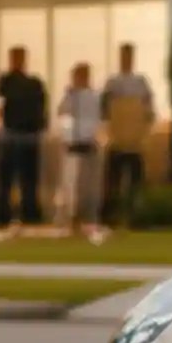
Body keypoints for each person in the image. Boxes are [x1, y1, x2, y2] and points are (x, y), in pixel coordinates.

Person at [0, 46, 47, 239]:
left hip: (26, 136)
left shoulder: (34, 84)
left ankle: (28, 213)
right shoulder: (5, 82)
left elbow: (41, 109)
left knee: (27, 181)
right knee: (8, 181)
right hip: (11, 135)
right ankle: (4, 214)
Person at [100, 43, 154, 229]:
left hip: (135, 141)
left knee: (135, 182)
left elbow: (148, 108)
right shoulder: (112, 83)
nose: (126, 59)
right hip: (117, 140)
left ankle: (135, 218)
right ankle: (110, 217)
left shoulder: (140, 83)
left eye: (129, 56)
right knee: (113, 181)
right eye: (124, 56)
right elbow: (105, 109)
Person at [55, 63, 106, 244]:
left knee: (88, 187)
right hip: (73, 145)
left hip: (88, 144)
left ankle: (88, 219)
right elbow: (62, 114)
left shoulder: (93, 97)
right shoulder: (70, 97)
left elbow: (97, 118)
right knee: (71, 186)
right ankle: (70, 220)